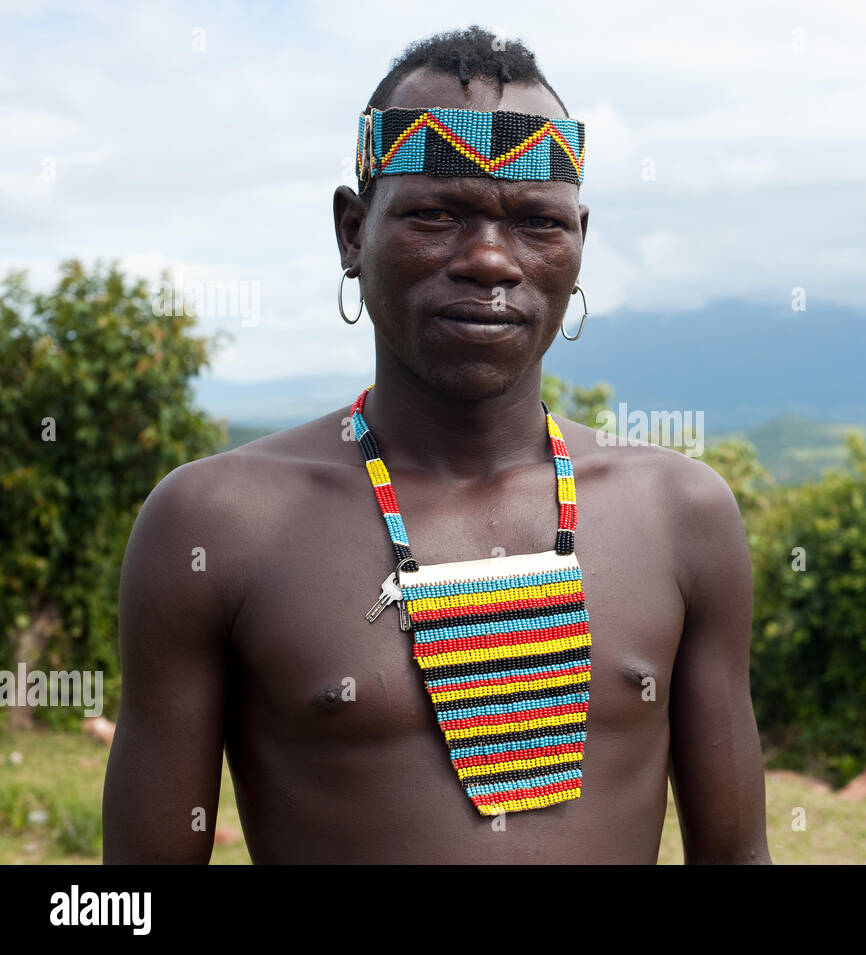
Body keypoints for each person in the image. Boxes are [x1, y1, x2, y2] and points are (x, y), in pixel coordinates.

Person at [103, 25, 771, 864]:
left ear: (579, 245)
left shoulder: (684, 515)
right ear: (352, 232)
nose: (490, 260)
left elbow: (739, 855)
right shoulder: (214, 524)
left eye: (536, 222)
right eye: (436, 213)